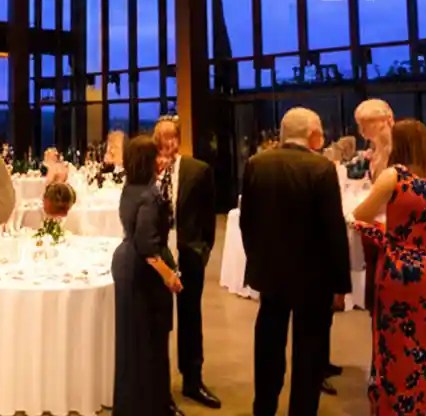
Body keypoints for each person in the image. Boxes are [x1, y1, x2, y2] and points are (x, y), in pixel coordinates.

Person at [353, 119, 426, 416]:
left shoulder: (395, 177)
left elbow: (361, 215)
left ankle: (400, 408)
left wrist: (385, 235)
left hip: (401, 273)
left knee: (399, 347)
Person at [241, 108, 352, 415]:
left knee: (268, 345)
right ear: (311, 134)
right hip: (312, 279)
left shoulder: (256, 164)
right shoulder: (321, 169)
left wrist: (256, 260)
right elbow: (333, 231)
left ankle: (263, 407)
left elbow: (246, 222)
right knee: (310, 351)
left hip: (271, 274)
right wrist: (340, 286)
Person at [112, 135, 183, 416]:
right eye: (157, 155)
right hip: (142, 269)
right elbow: (147, 245)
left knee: (132, 339)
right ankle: (151, 405)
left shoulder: (130, 188)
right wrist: (170, 276)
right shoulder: (150, 195)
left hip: (126, 261)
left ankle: (135, 403)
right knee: (150, 338)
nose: (161, 160)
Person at [153, 117, 220, 409]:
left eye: (171, 137)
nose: (167, 143)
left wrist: (202, 251)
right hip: (155, 257)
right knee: (157, 322)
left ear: (179, 139)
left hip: (188, 253)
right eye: (161, 139)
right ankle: (158, 387)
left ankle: (193, 380)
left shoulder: (197, 170)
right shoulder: (146, 172)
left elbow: (208, 217)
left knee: (191, 318)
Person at [354, 98, 394, 312]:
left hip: (391, 224)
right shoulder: (377, 149)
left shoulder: (396, 148)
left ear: (384, 121)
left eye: (365, 123)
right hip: (377, 222)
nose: (361, 130)